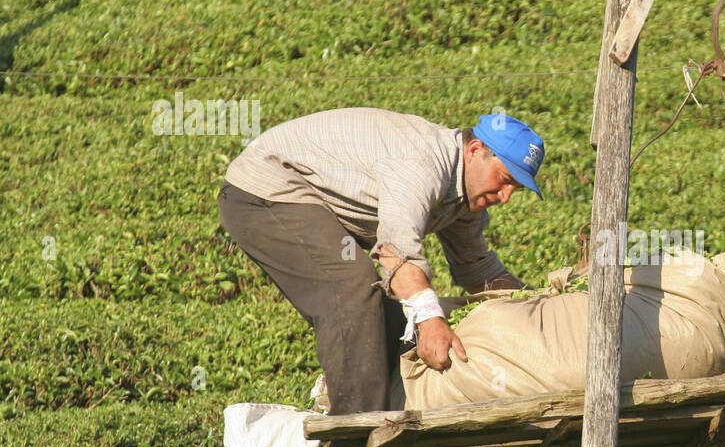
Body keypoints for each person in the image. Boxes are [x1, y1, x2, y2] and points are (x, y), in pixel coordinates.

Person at [217, 107, 544, 415]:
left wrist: (541, 304)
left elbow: (479, 271)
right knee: (351, 288)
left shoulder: (464, 198)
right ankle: (356, 436)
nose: (505, 196)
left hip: (311, 200)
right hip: (266, 190)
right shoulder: (420, 165)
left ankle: (398, 422)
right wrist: (430, 320)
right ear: (474, 151)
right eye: (504, 179)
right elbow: (394, 253)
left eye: (516, 187)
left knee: (388, 322)